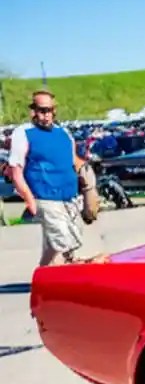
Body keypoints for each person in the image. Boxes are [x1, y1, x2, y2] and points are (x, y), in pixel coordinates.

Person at [8, 90, 86, 266]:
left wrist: (89, 184)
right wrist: (29, 199)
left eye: (50, 110)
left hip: (70, 196)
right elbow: (16, 170)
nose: (47, 115)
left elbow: (75, 161)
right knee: (63, 240)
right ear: (33, 111)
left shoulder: (64, 133)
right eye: (42, 110)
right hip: (44, 196)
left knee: (64, 241)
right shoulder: (24, 133)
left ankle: (43, 274)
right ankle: (64, 275)